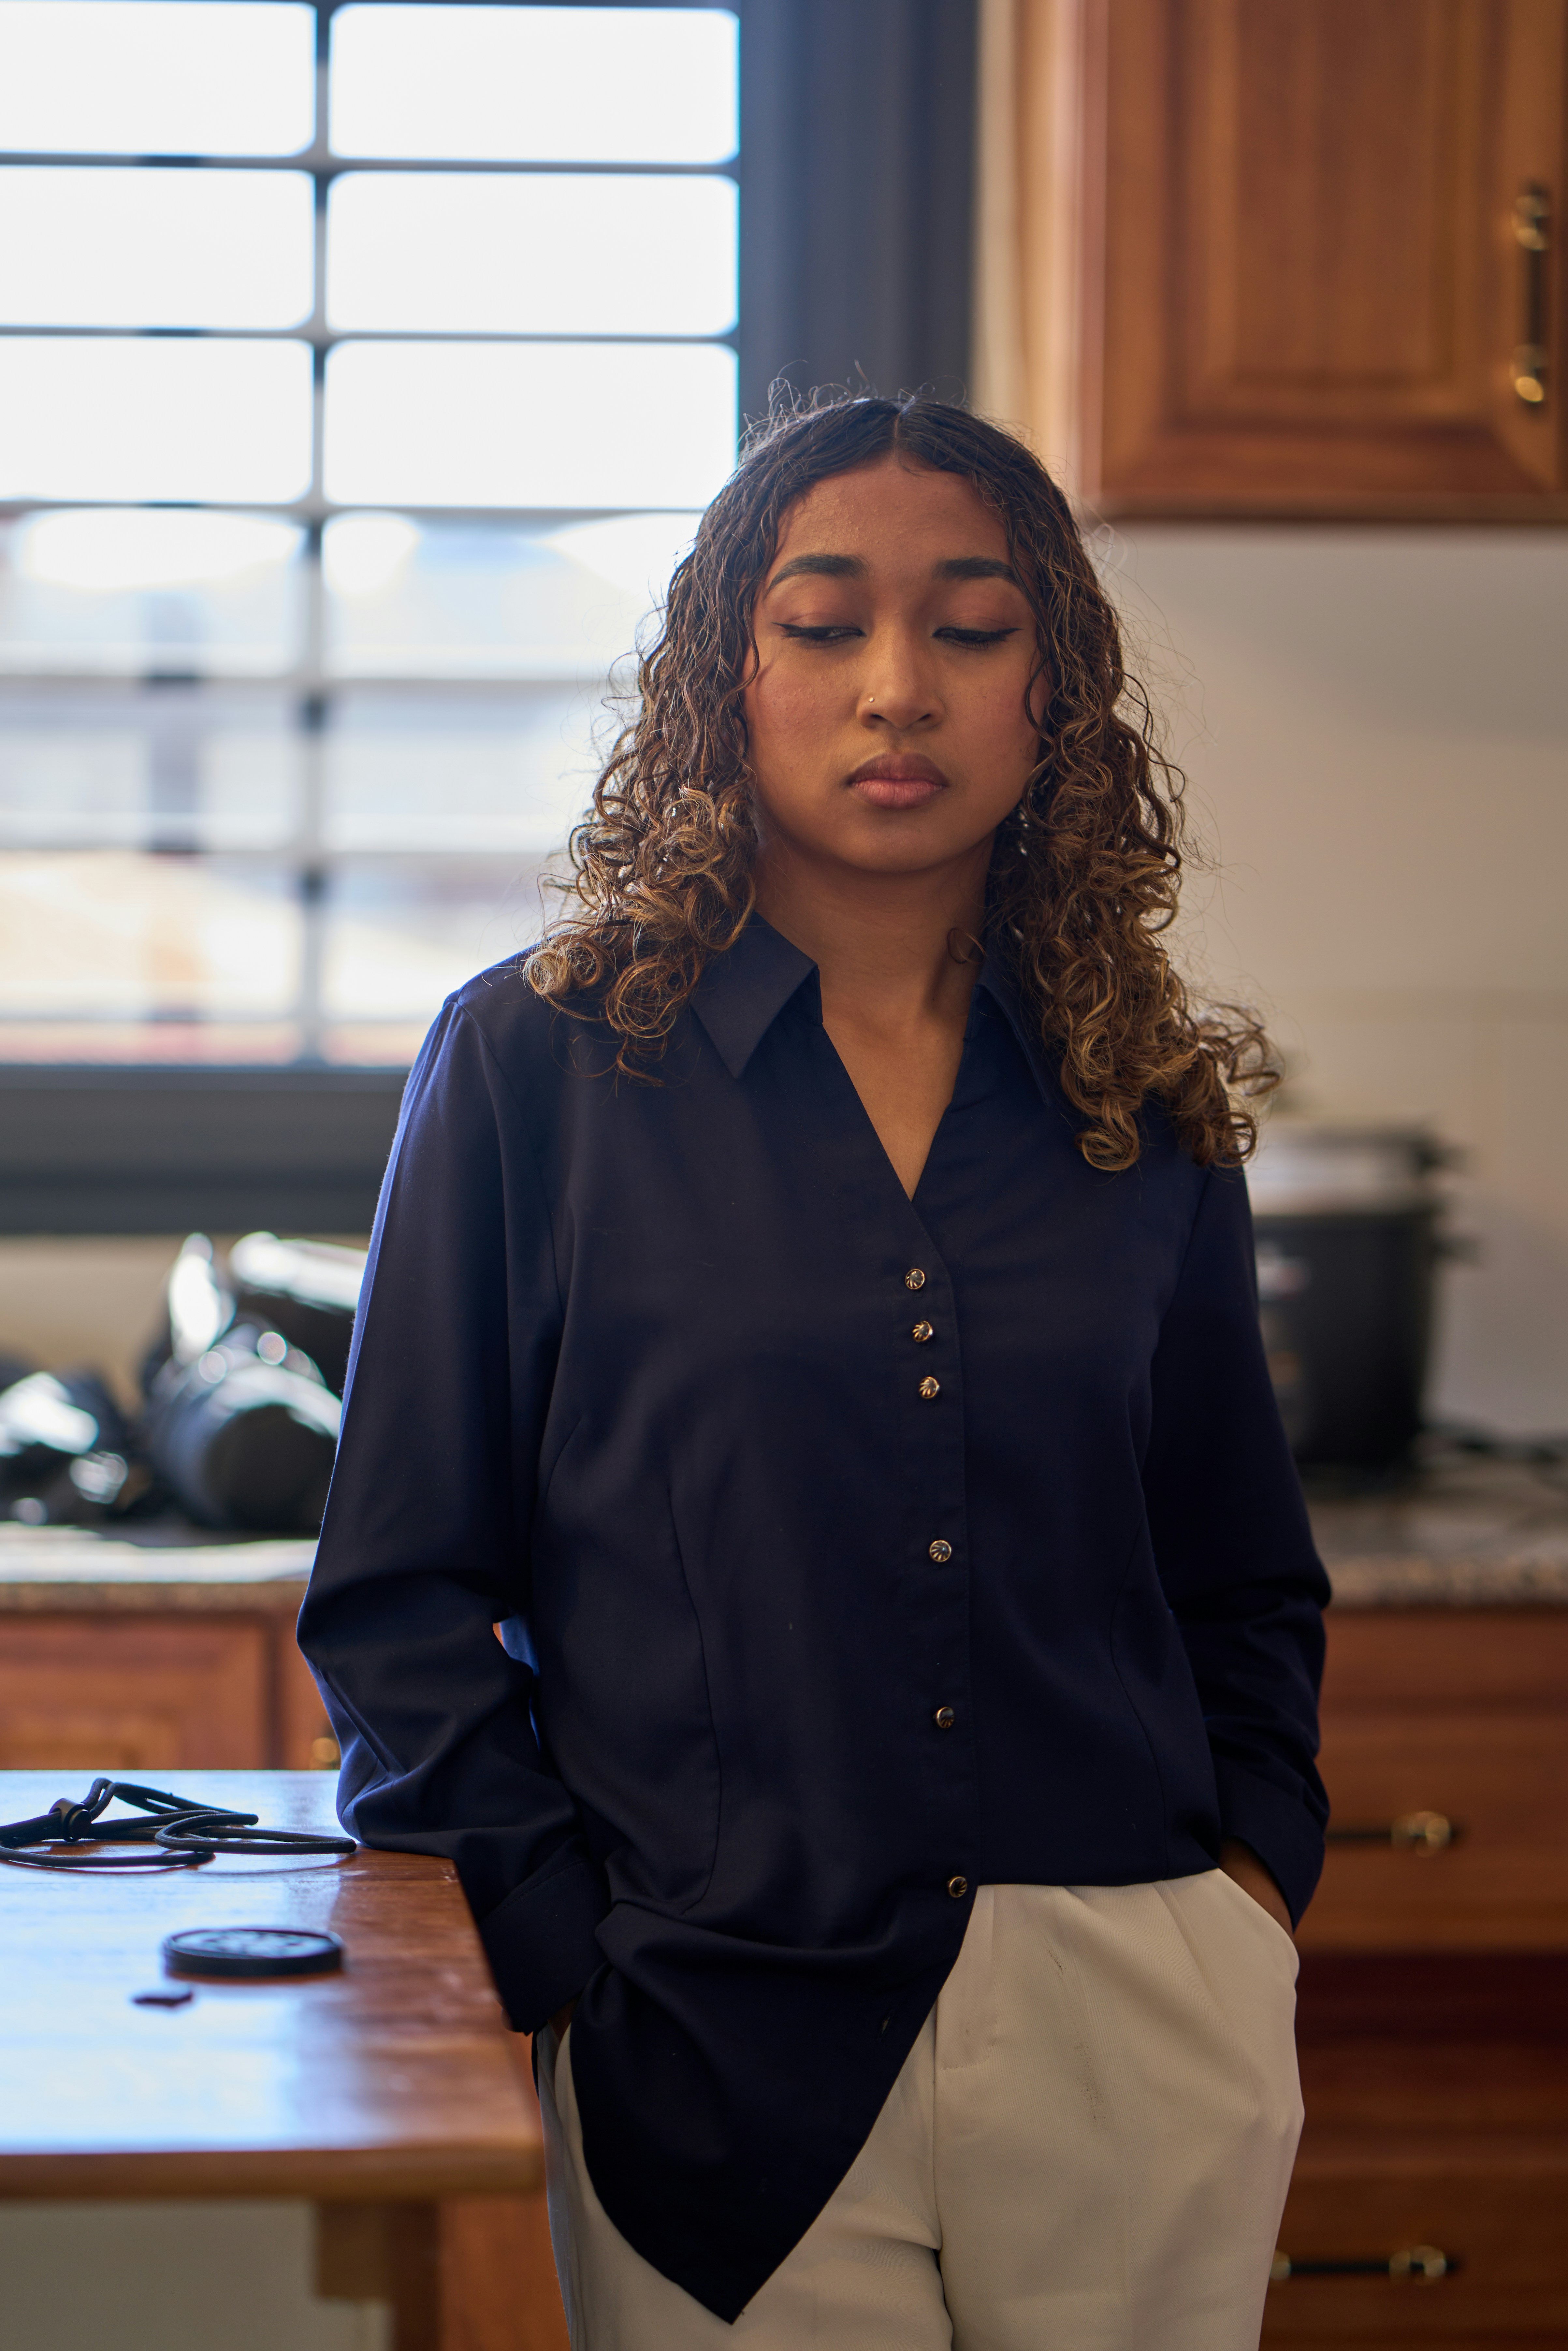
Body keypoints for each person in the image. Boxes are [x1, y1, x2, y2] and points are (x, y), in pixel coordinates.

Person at [298, 394, 1328, 2351]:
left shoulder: (1145, 1097)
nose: (896, 691)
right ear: (723, 679)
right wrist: (556, 1945)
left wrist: (1244, 1902)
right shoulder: (536, 1066)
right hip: (704, 2020)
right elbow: (403, 1591)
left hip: (1136, 2004)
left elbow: (1239, 1573)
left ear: (1055, 693)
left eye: (969, 626)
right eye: (824, 623)